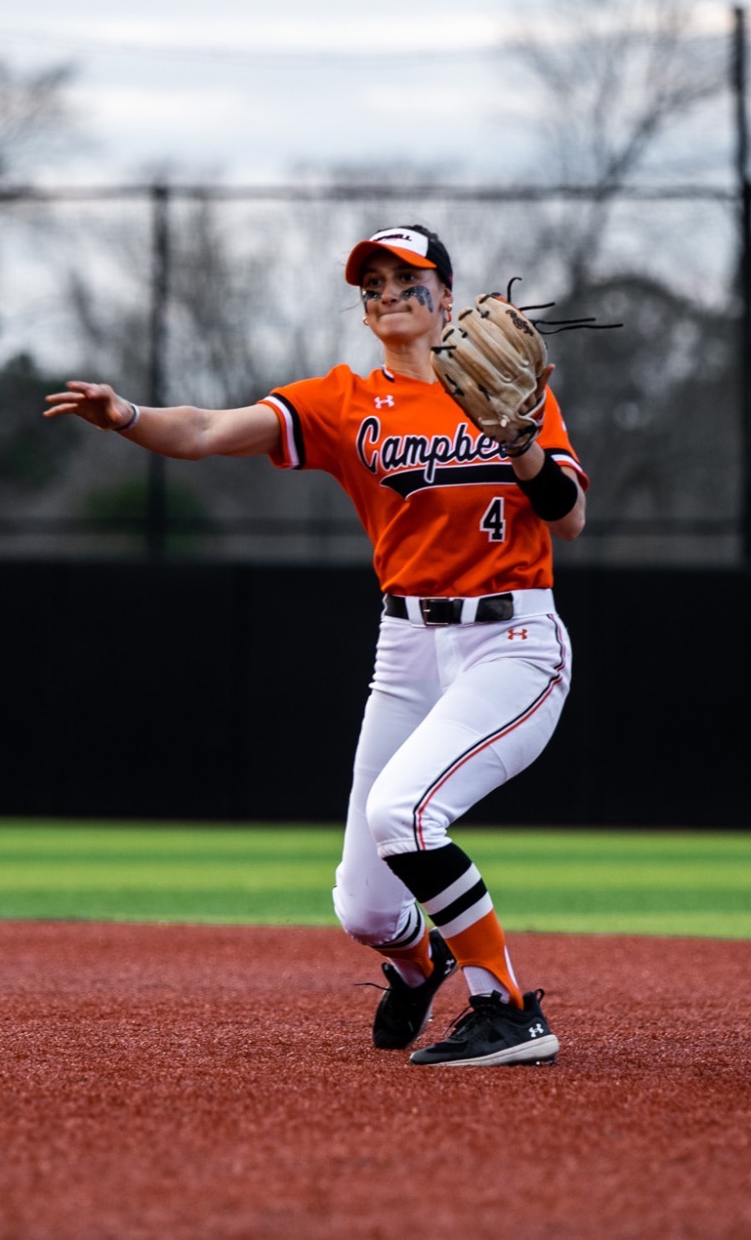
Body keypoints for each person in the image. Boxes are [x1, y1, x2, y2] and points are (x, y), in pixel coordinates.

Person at [43, 225, 587, 1067]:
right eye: (371, 283)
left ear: (447, 292)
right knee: (366, 911)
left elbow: (569, 518)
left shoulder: (508, 389)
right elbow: (204, 431)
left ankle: (509, 1008)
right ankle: (421, 961)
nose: (386, 294)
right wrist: (128, 418)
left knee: (406, 813)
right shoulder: (342, 402)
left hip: (511, 638)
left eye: (406, 278)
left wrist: (517, 441)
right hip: (406, 645)